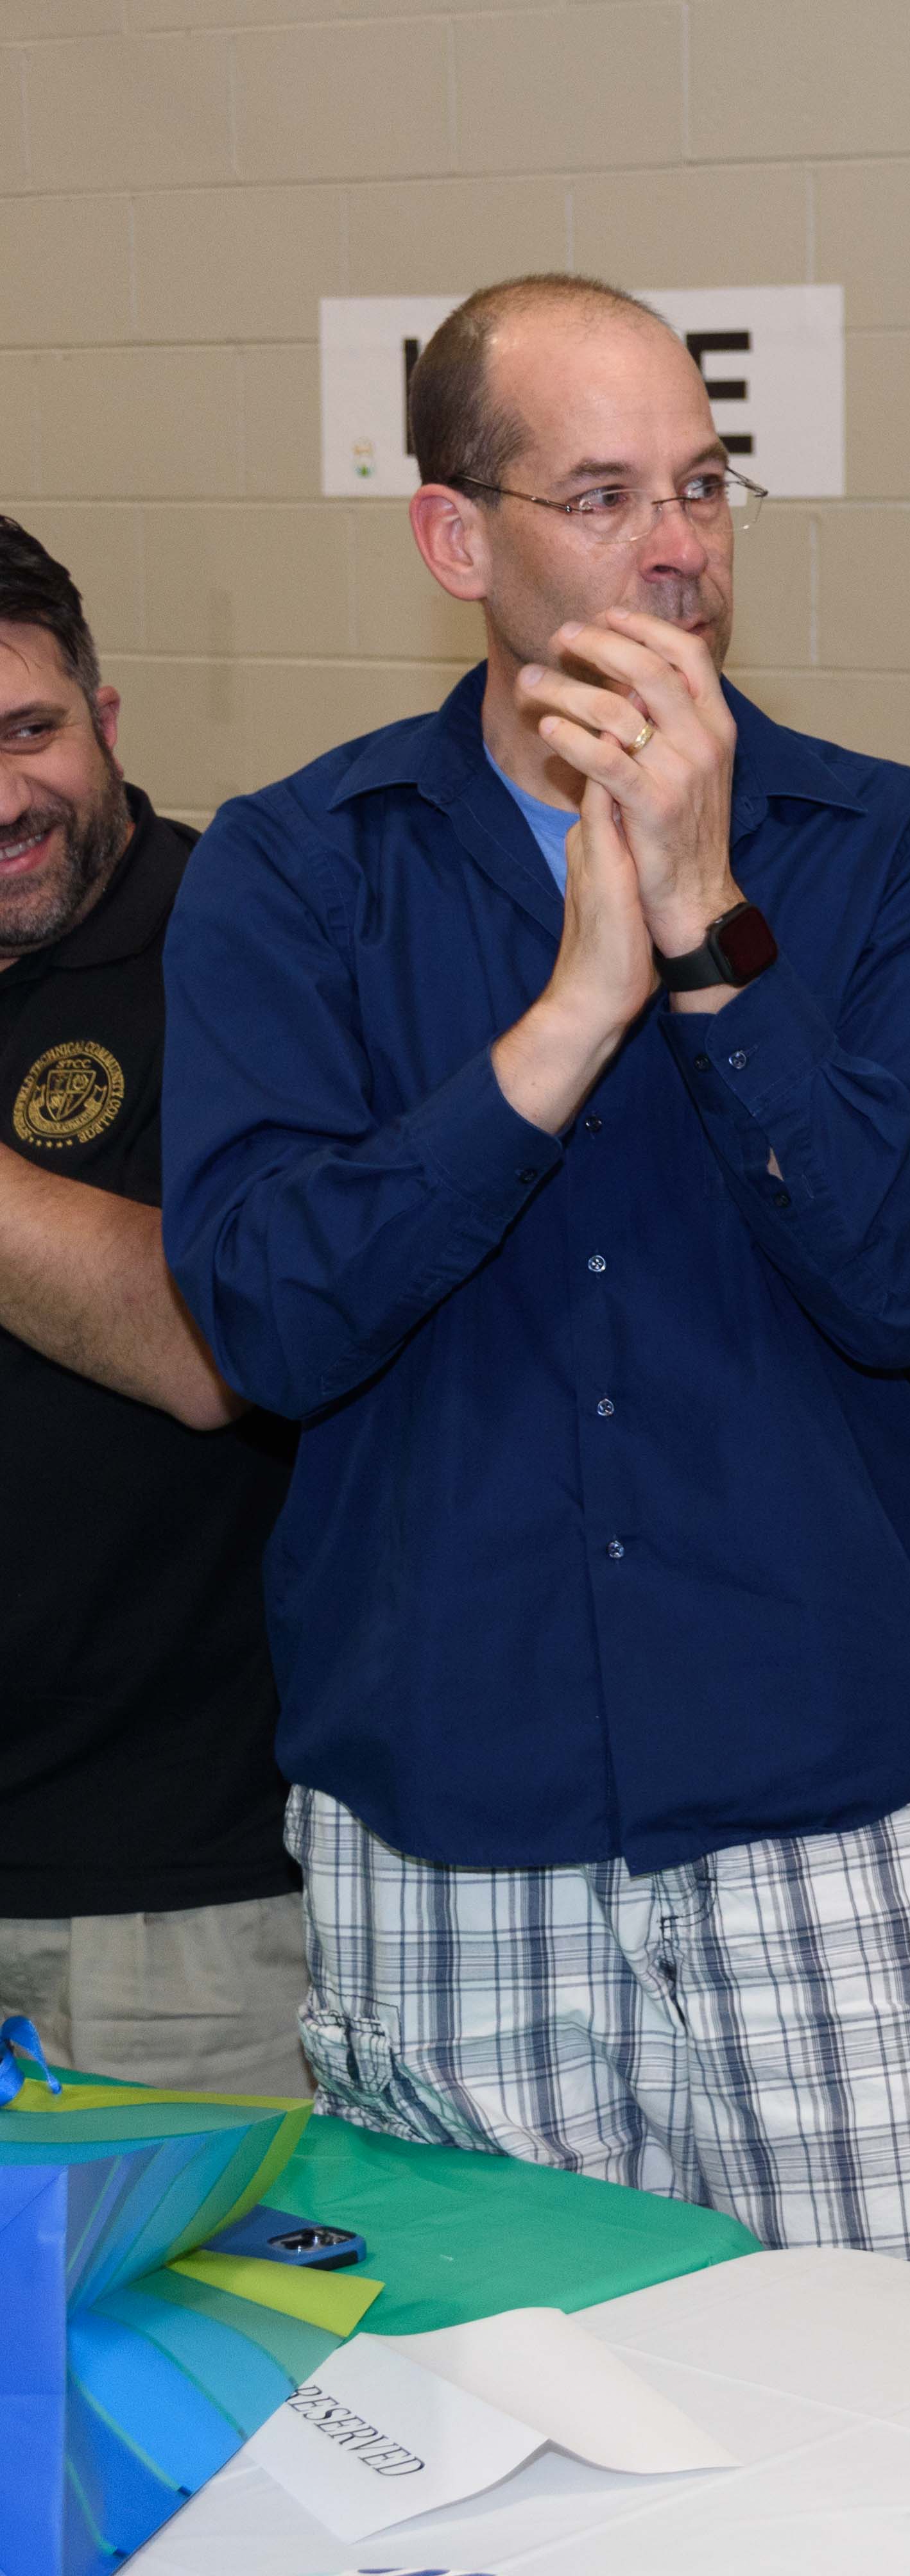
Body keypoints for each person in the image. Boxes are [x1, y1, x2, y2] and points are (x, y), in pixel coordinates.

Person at [162, 275, 910, 2296]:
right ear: (455, 537)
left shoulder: (902, 853)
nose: (677, 545)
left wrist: (703, 920)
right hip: (451, 1844)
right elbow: (265, 1320)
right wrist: (572, 1017)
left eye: (703, 484)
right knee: (499, 2432)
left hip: (839, 1825)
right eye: (602, 495)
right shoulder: (299, 867)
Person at [0, 518, 302, 2097]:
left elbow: (211, 1347)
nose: (3, 799)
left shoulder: (236, 944)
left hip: (161, 1914)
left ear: (105, 717)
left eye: (27, 732)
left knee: (199, 2280)